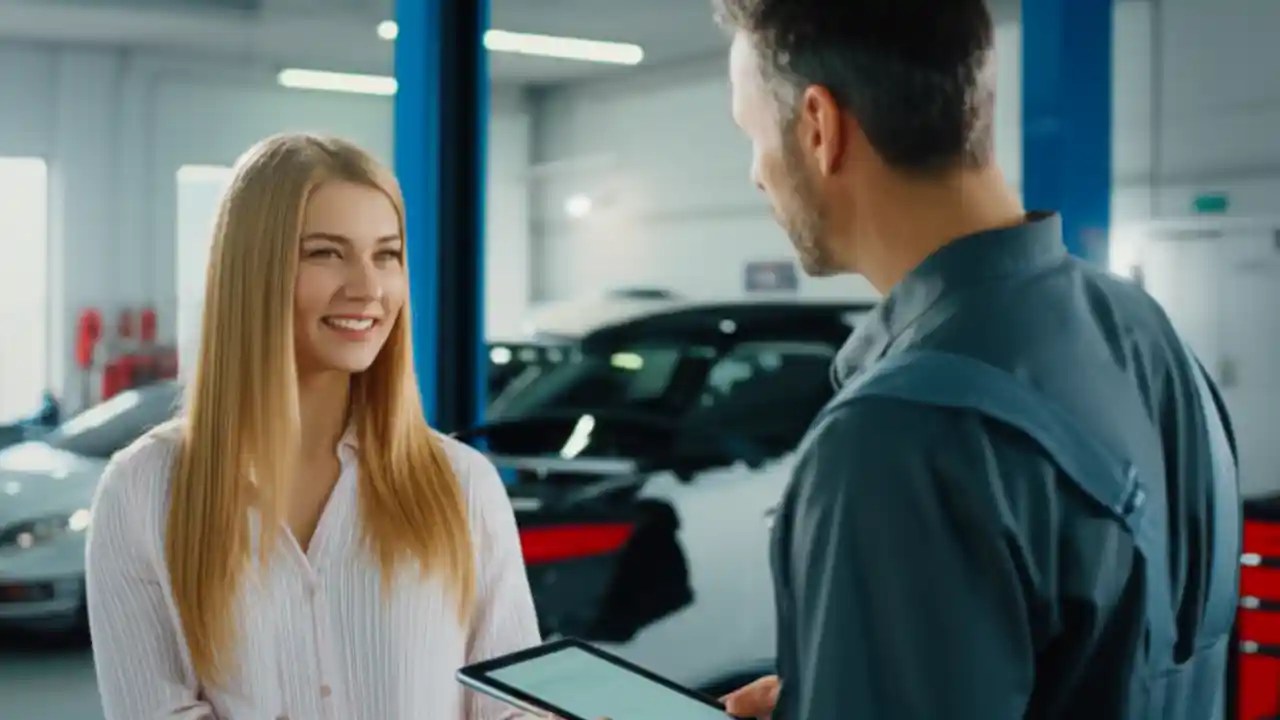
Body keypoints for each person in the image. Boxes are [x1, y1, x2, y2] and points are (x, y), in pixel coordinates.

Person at [713, 0, 1240, 718]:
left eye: (751, 134)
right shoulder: (1146, 332)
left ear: (818, 126)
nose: (753, 175)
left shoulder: (895, 437)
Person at [86, 133, 540, 720]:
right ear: (253, 271)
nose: (368, 288)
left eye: (386, 255)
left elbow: (508, 708)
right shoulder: (143, 490)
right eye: (326, 253)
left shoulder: (462, 484)